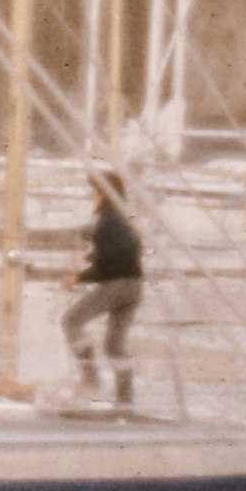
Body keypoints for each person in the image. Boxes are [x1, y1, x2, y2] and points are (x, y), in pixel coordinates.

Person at [65, 169, 145, 409]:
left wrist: (78, 277)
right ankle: (125, 399)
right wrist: (89, 256)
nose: (92, 196)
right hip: (134, 286)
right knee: (114, 344)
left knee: (71, 321)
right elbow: (122, 252)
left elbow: (108, 265)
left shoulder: (106, 221)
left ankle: (91, 382)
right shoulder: (123, 217)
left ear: (101, 192)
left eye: (94, 191)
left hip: (117, 285)